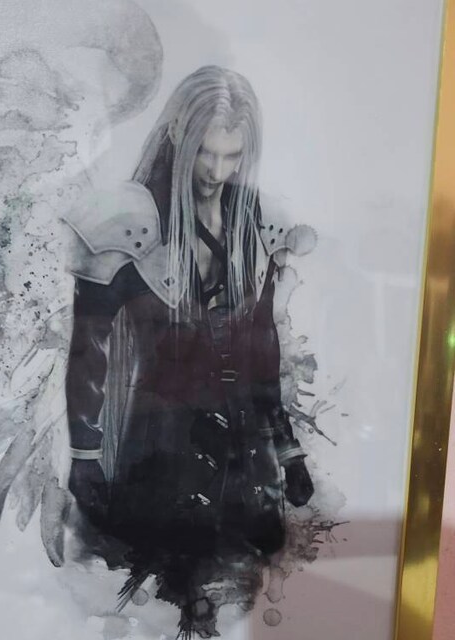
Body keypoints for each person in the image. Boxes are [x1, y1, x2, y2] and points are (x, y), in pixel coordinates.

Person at [63, 65, 314, 638]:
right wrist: (83, 454)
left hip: (246, 464)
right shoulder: (129, 221)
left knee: (244, 604)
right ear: (179, 133)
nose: (217, 172)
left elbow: (262, 347)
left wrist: (288, 449)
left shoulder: (256, 223)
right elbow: (89, 347)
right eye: (206, 153)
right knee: (157, 604)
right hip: (157, 456)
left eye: (232, 156)